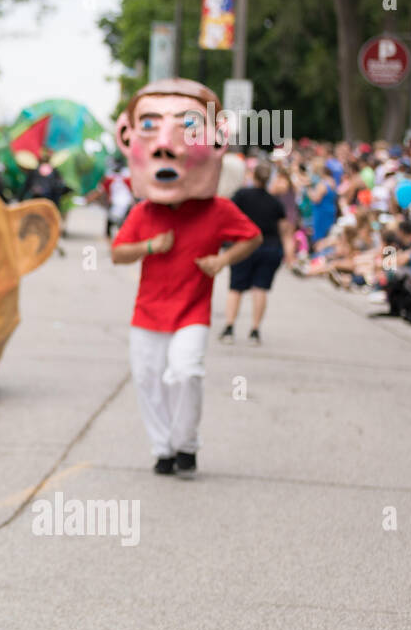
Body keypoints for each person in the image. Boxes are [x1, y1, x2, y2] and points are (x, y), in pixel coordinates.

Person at [110, 79, 261, 477]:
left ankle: (186, 443)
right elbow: (117, 253)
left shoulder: (217, 210)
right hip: (148, 314)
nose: (165, 144)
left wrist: (222, 260)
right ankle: (163, 448)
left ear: (217, 140)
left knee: (186, 371)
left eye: (188, 127)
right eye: (150, 125)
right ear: (127, 137)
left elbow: (252, 237)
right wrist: (148, 247)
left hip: (192, 311)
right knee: (148, 380)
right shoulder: (143, 213)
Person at [220, 159, 287, 345]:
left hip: (243, 245)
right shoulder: (275, 202)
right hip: (269, 247)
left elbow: (228, 215)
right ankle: (255, 330)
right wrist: (289, 253)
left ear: (253, 176)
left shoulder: (242, 195)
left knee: (236, 287)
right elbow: (284, 229)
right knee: (260, 288)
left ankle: (229, 327)